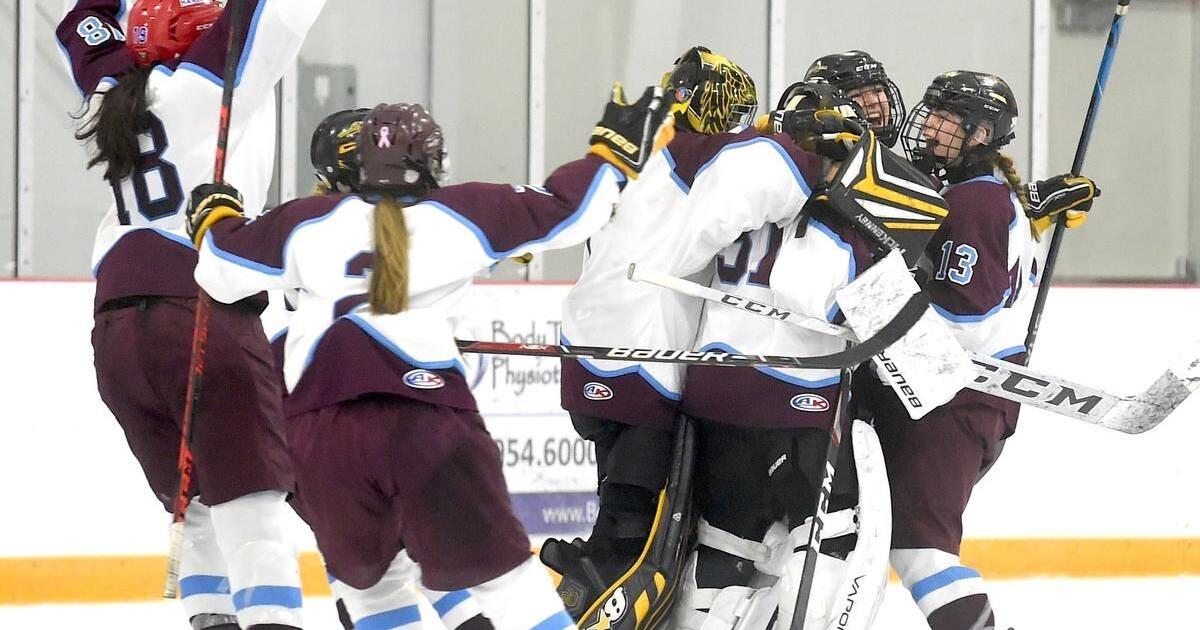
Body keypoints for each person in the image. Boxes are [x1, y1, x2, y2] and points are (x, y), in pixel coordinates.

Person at [188, 96, 673, 630]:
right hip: (426, 422)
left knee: (373, 593)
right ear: (430, 162)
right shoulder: (458, 212)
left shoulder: (303, 222)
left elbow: (218, 269)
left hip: (320, 435)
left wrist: (216, 215)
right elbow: (572, 210)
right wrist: (610, 153)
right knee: (508, 585)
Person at [60, 1, 325, 628]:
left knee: (197, 506)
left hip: (116, 330)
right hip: (200, 311)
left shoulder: (110, 95)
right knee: (253, 505)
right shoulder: (206, 85)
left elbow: (81, 23)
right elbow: (281, 14)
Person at [852, 70, 1099, 630]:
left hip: (956, 399)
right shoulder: (972, 195)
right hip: (950, 396)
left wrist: (869, 301)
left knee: (921, 552)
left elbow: (964, 313)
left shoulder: (977, 202)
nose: (929, 127)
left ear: (981, 133)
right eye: (932, 113)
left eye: (945, 119)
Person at [545, 44, 761, 621]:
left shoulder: (636, 153)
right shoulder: (694, 159)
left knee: (617, 493)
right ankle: (599, 581)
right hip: (644, 360)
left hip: (587, 357)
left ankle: (588, 570)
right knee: (634, 524)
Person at [804, 50, 906, 148]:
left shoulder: (893, 160)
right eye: (856, 95)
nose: (873, 102)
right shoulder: (808, 159)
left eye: (878, 91)